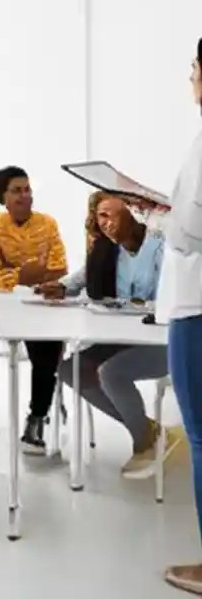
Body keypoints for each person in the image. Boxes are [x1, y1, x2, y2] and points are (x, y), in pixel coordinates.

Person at [40, 193, 184, 479]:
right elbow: (82, 277)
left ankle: (143, 442)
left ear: (132, 214)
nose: (105, 223)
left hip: (162, 340)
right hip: (120, 336)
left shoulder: (161, 247)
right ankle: (147, 430)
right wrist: (61, 286)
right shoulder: (108, 250)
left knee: (111, 373)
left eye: (111, 215)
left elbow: (170, 298)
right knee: (70, 369)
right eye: (100, 217)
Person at [155, 38, 202, 595]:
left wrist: (158, 219)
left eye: (193, 68)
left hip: (196, 304)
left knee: (201, 436)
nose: (190, 78)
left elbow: (191, 228)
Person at [0, 165, 68, 455]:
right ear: (2, 197)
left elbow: (59, 269)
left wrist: (18, 273)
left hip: (42, 303)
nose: (24, 196)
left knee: (46, 346)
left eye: (27, 189)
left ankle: (36, 418)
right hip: (5, 307)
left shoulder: (48, 223)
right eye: (16, 191)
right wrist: (27, 274)